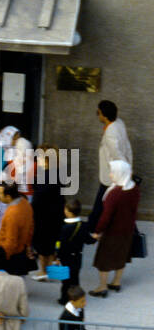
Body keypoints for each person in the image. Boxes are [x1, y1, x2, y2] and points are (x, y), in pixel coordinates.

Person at [89, 158, 141, 296]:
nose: (110, 175)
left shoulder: (114, 194)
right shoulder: (134, 188)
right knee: (122, 256)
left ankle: (102, 287)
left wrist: (97, 231)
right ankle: (116, 282)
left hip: (112, 231)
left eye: (112, 172)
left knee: (103, 260)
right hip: (128, 229)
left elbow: (106, 217)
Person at [89, 100, 133, 236]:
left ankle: (92, 228)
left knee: (102, 202)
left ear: (104, 115)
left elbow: (117, 154)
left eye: (98, 113)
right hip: (116, 173)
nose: (98, 115)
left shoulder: (111, 132)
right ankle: (94, 226)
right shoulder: (119, 123)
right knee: (104, 201)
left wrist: (123, 174)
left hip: (112, 174)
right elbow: (127, 147)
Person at [30, 144, 64, 280]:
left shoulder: (46, 176)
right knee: (51, 246)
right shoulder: (57, 173)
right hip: (55, 214)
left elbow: (38, 199)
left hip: (44, 217)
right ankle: (51, 272)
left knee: (43, 247)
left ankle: (43, 272)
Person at [0, 183, 34, 275]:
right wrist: (28, 245)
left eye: (0, 193)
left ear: (8, 197)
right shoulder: (25, 203)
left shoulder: (12, 214)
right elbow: (31, 227)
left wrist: (3, 260)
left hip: (11, 255)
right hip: (22, 250)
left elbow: (10, 242)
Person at [56, 196, 87, 304]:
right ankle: (77, 298)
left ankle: (65, 299)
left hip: (66, 258)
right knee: (75, 278)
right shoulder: (82, 225)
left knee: (66, 281)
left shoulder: (65, 227)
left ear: (68, 212)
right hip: (78, 256)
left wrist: (58, 257)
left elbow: (61, 245)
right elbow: (88, 240)